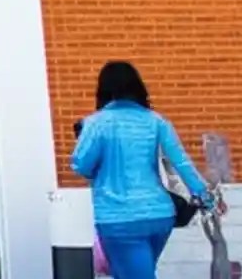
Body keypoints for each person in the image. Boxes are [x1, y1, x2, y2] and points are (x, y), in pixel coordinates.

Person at [71, 61, 219, 279]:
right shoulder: (156, 121)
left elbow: (81, 165)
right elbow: (181, 162)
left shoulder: (96, 123)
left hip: (118, 219)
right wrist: (204, 196)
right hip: (160, 215)